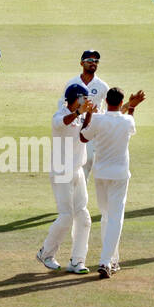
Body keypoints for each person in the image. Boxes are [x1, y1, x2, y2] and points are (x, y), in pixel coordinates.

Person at [81, 87, 145, 278]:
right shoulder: (127, 120)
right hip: (119, 175)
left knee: (106, 216)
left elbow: (83, 136)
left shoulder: (98, 119)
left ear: (106, 100)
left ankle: (112, 259)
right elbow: (130, 122)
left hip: (100, 174)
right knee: (115, 218)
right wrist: (132, 107)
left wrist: (89, 115)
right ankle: (106, 261)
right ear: (121, 101)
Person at [36, 84, 95, 275]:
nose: (86, 102)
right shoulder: (59, 116)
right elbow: (64, 122)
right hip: (61, 172)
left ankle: (77, 261)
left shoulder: (80, 115)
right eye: (83, 99)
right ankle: (45, 253)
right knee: (66, 216)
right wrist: (80, 111)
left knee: (84, 217)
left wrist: (89, 114)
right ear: (76, 99)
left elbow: (84, 134)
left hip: (77, 170)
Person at [62, 50, 108, 183]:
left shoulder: (102, 86)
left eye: (96, 61)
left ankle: (81, 199)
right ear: (82, 63)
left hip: (91, 130)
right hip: (73, 127)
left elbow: (107, 109)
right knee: (70, 165)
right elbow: (63, 105)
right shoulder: (72, 83)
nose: (93, 63)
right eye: (90, 61)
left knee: (86, 163)